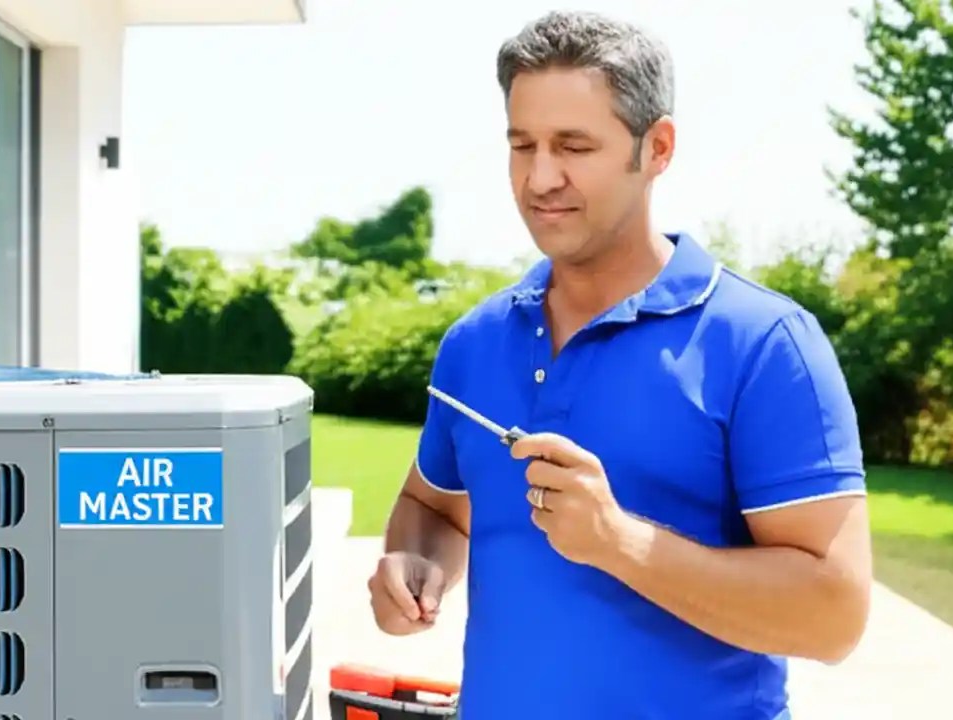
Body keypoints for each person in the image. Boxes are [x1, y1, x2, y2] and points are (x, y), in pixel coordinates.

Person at [366, 10, 873, 719]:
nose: (541, 177)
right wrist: (413, 565)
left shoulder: (764, 344)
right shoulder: (473, 344)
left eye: (574, 145)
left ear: (656, 147)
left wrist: (621, 543)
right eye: (523, 145)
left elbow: (834, 617)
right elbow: (433, 505)